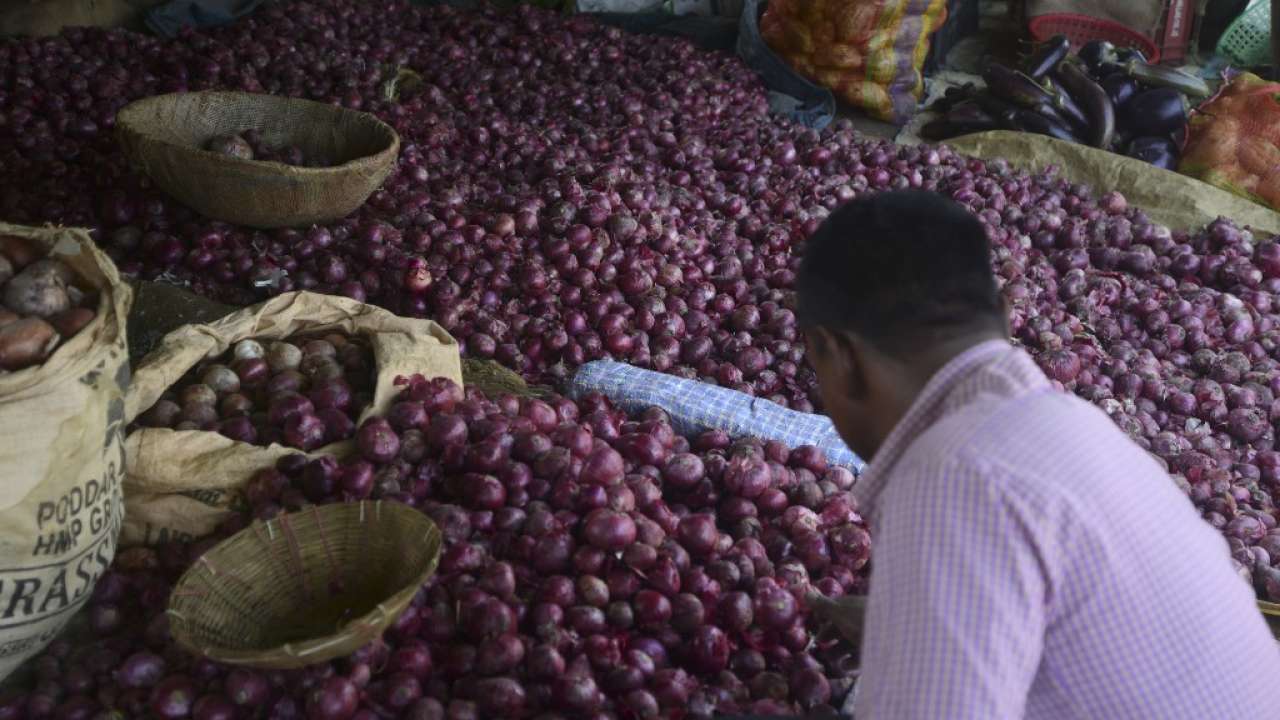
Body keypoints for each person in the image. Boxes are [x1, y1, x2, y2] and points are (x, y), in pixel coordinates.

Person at [798, 190, 1280, 719]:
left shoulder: (954, 475)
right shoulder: (1071, 424)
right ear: (1007, 314)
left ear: (836, 355)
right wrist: (902, 626)